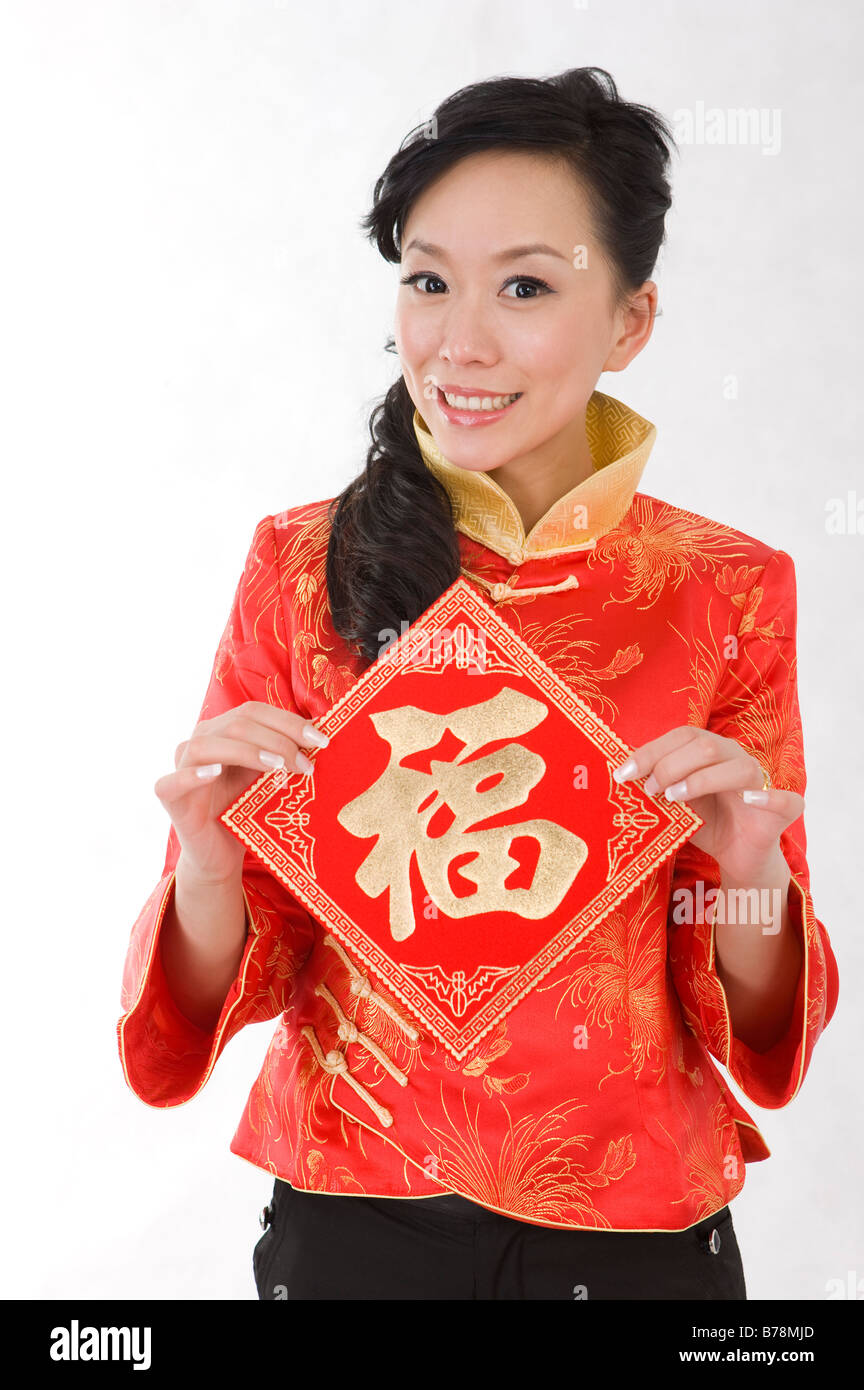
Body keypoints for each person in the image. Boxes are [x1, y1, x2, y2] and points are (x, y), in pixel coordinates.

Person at [117, 67, 839, 1301]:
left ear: (631, 320)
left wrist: (753, 877)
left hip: (634, 1238)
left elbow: (758, 1028)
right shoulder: (303, 567)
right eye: (426, 278)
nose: (460, 340)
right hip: (353, 1224)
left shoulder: (723, 587)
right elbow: (243, 975)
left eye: (525, 286)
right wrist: (209, 862)